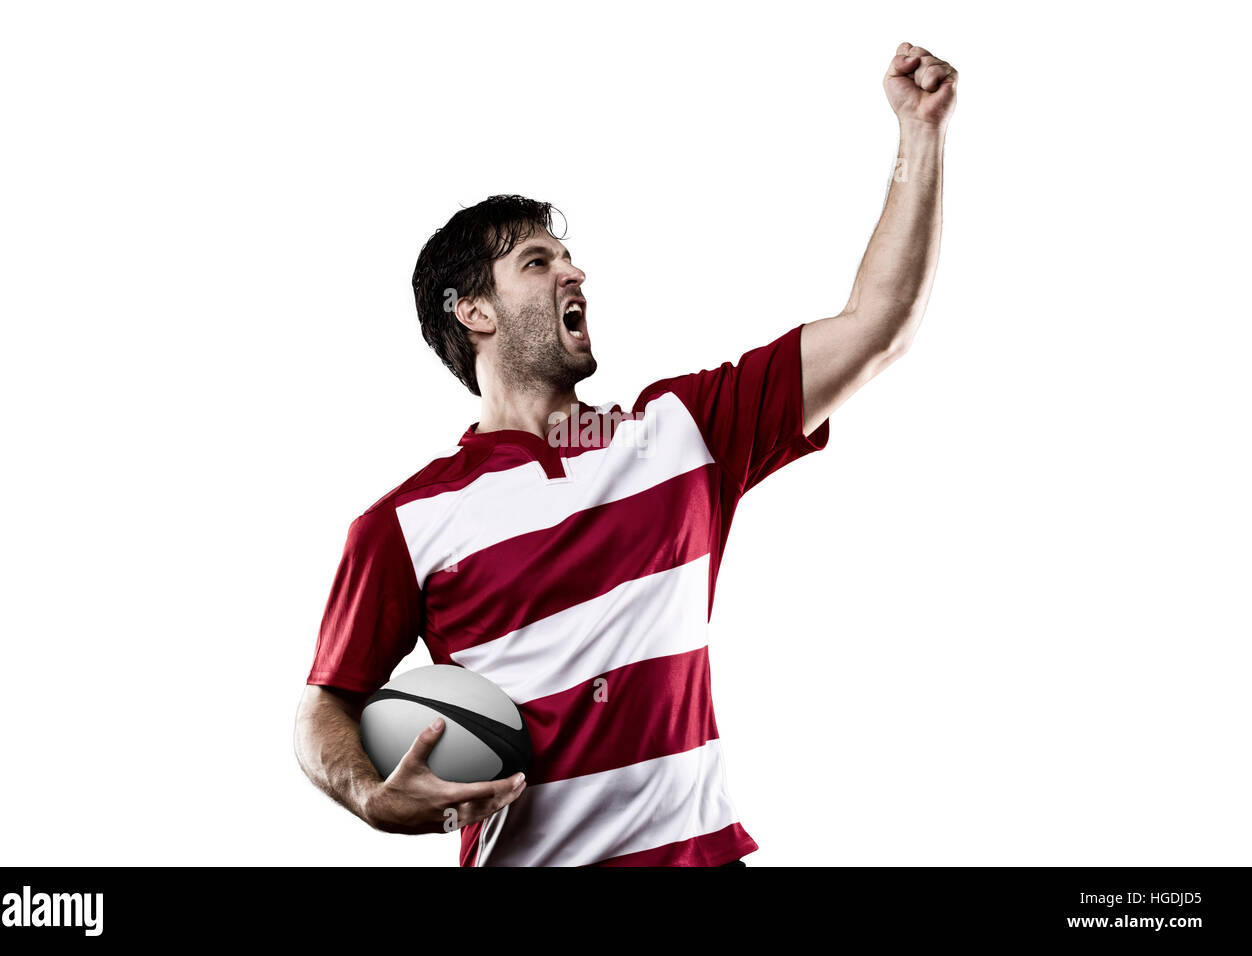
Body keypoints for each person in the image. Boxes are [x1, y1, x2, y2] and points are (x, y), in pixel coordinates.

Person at [294, 42, 957, 866]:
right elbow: (326, 703)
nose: (575, 271)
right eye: (538, 262)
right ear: (474, 314)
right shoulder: (404, 522)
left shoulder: (681, 431)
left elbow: (876, 326)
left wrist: (919, 134)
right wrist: (367, 793)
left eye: (567, 255)